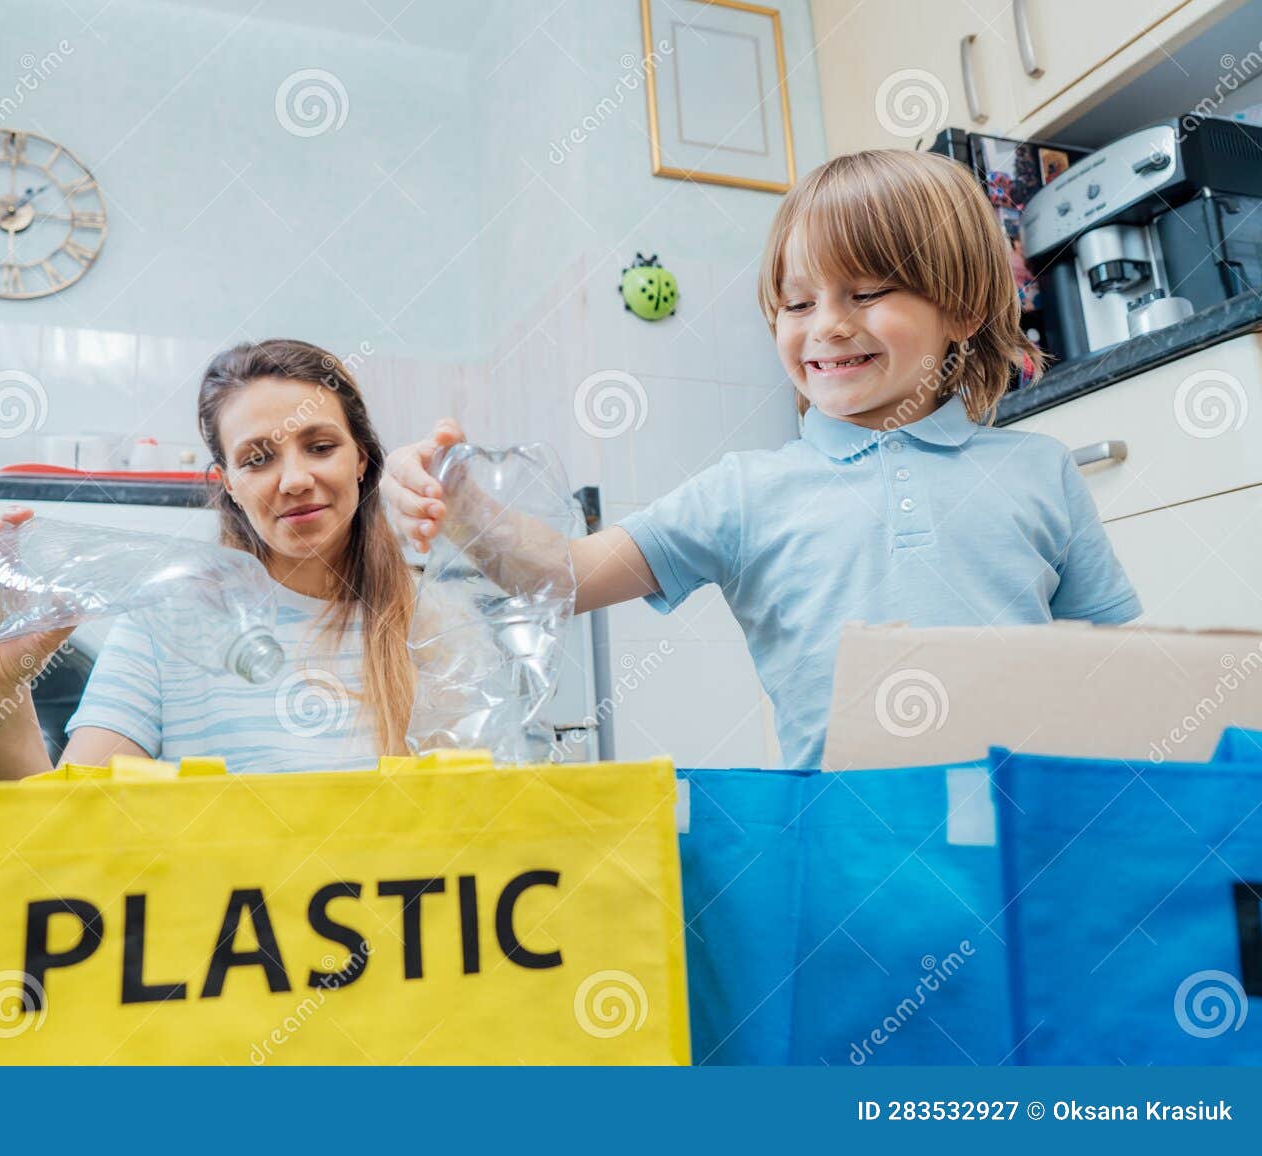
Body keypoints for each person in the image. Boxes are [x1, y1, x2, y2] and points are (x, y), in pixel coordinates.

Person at [383, 149, 1141, 769]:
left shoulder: (1041, 470)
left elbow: (1116, 670)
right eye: (798, 303)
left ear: (963, 310)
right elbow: (561, 576)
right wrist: (458, 503)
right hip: (844, 846)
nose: (827, 326)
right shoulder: (745, 492)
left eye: (867, 293)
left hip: (1034, 838)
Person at [0, 338, 416, 779]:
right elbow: (62, 831)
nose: (294, 480)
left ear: (361, 459)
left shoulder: (428, 619)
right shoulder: (165, 621)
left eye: (321, 447)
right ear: (229, 485)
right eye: (257, 459)